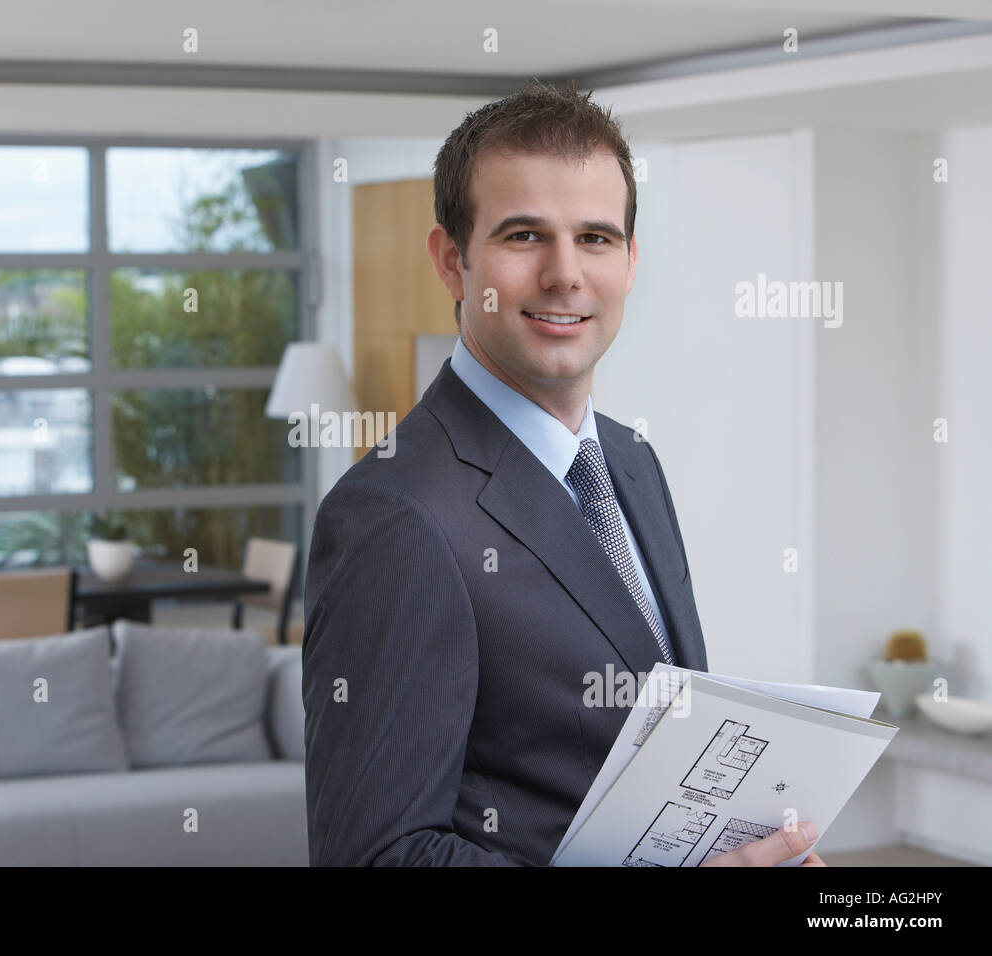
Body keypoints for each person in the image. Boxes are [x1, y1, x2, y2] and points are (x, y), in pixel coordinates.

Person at [301, 80, 825, 867]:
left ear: (631, 260)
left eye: (596, 238)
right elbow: (374, 856)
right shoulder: (395, 517)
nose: (565, 274)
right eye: (523, 236)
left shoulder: (631, 462)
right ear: (452, 261)